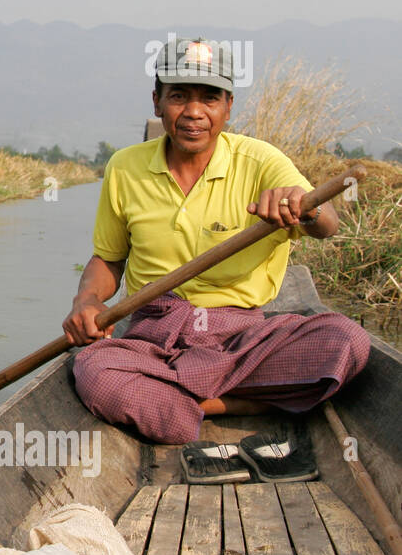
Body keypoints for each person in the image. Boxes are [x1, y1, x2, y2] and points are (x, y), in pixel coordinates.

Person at [63, 36, 371, 445]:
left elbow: (326, 224)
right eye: (178, 97)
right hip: (153, 338)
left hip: (241, 340)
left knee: (347, 341)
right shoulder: (125, 167)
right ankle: (248, 402)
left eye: (210, 98)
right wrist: (86, 302)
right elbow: (109, 259)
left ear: (228, 107)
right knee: (95, 372)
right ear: (157, 102)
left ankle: (182, 403)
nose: (194, 112)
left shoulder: (261, 160)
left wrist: (305, 207)